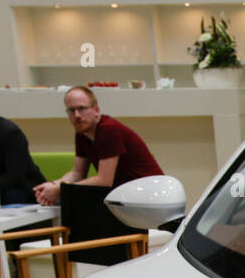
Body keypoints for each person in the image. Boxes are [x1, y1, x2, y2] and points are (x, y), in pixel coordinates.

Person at [34, 86, 163, 205]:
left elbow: (104, 181)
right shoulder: (82, 132)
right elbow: (77, 174)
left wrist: (61, 189)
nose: (77, 115)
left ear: (96, 110)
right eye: (71, 110)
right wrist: (51, 186)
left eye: (81, 109)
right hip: (128, 196)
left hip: (151, 195)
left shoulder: (108, 130)